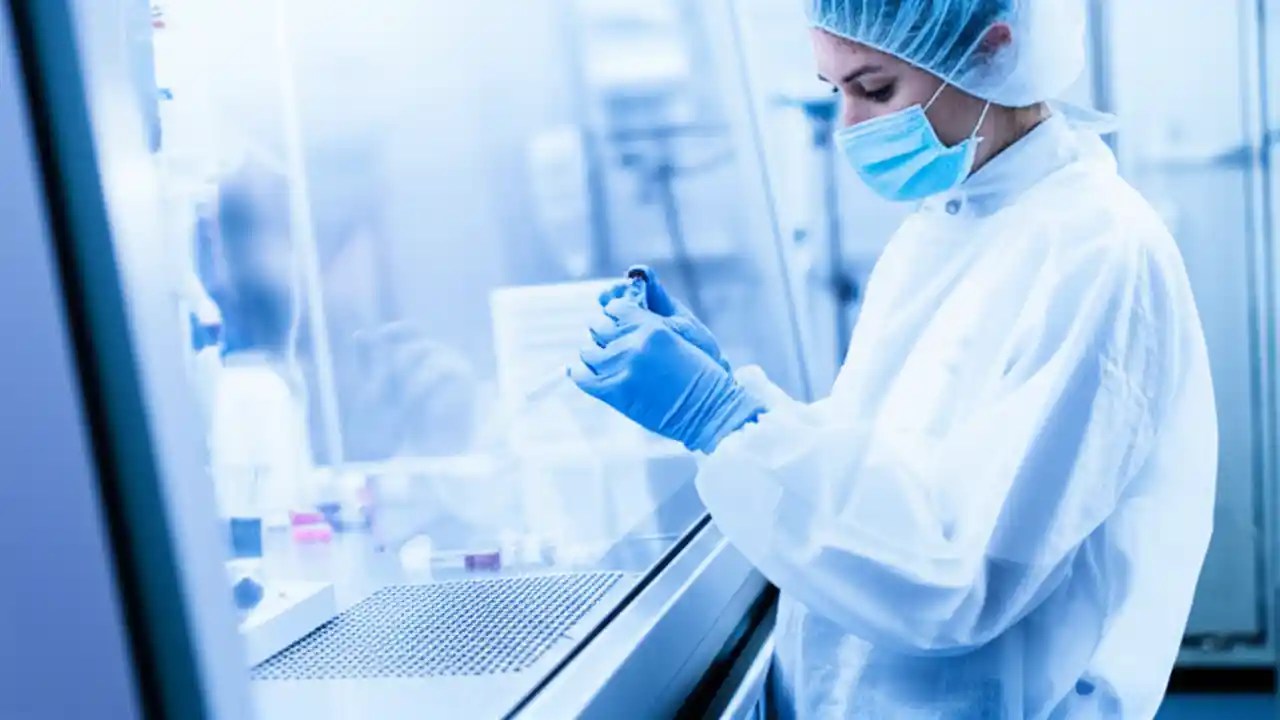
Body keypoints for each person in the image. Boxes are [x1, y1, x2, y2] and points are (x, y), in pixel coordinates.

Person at [571, 1, 1218, 717]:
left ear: (994, 53)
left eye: (874, 88)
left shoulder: (1095, 250)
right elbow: (892, 467)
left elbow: (959, 585)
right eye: (835, 90)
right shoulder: (947, 224)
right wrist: (744, 408)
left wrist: (718, 422)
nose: (848, 126)